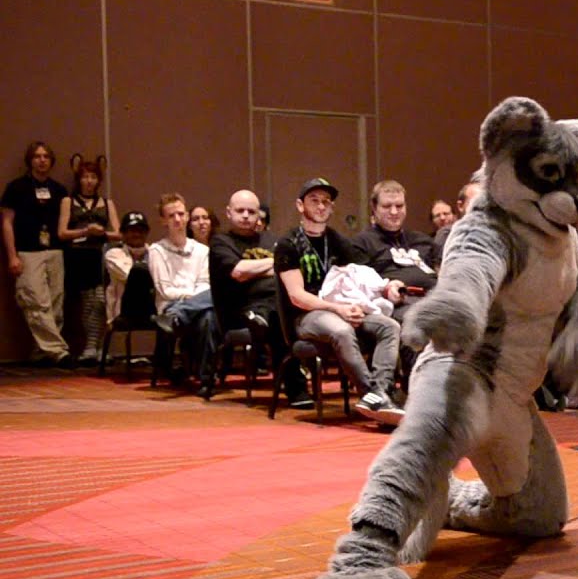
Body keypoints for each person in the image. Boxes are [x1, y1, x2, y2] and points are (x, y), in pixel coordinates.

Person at [274, 177, 403, 423]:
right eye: (314, 201)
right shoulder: (288, 244)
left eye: (326, 202)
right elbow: (297, 296)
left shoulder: (336, 240)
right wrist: (338, 308)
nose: (321, 206)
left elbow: (365, 275)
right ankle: (370, 393)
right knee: (342, 330)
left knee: (390, 326)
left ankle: (382, 392)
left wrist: (387, 287)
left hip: (339, 308)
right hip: (306, 317)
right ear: (300, 206)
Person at [208, 189, 311, 408]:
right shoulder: (220, 242)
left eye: (251, 211)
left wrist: (262, 268)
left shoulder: (272, 239)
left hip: (277, 306)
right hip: (238, 311)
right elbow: (239, 271)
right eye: (240, 210)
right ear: (228, 213)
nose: (245, 215)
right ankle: (297, 388)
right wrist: (276, 263)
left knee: (282, 313)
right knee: (277, 320)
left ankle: (264, 319)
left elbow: (293, 268)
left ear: (259, 215)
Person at [2, 141, 72, 367]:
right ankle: (60, 352)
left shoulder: (59, 190)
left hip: (55, 251)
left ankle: (43, 352)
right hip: (28, 251)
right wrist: (12, 256)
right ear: (30, 160)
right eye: (37, 156)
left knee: (55, 305)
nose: (42, 160)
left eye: (45, 156)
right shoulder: (16, 188)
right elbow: (6, 223)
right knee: (35, 302)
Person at [148, 193, 221, 397]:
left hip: (186, 310)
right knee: (208, 308)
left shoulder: (201, 250)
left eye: (181, 214)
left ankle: (206, 380)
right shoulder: (157, 250)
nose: (178, 219)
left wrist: (190, 301)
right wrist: (193, 297)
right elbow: (165, 290)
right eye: (171, 216)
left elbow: (205, 284)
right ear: (163, 220)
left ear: (187, 216)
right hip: (169, 306)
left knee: (209, 314)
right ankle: (207, 379)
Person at [57, 155, 120, 364]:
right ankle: (90, 348)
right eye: (85, 177)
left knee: (102, 300)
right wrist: (85, 230)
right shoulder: (68, 201)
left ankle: (99, 346)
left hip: (100, 255)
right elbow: (62, 233)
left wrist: (101, 233)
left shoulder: (106, 203)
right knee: (87, 303)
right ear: (79, 179)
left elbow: (119, 233)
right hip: (78, 256)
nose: (89, 181)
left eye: (93, 177)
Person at [351, 180, 434, 322]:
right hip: (398, 305)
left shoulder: (422, 240)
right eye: (387, 206)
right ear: (374, 208)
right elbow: (359, 287)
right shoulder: (362, 243)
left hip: (436, 298)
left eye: (399, 206)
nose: (394, 212)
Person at [104, 211, 151, 327]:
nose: (137, 234)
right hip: (123, 312)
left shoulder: (156, 253)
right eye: (132, 230)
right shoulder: (113, 254)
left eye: (141, 230)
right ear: (123, 233)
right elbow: (132, 278)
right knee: (138, 272)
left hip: (153, 309)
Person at [432, 179, 482, 270]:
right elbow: (440, 269)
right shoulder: (447, 233)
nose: (482, 206)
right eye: (475, 202)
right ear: (460, 206)